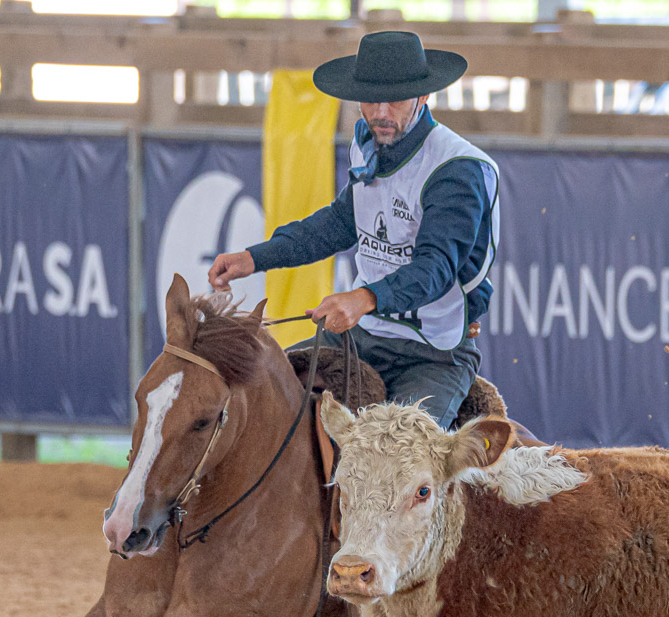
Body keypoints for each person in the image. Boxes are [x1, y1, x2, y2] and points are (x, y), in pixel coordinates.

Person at [208, 30, 500, 430]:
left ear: (424, 97)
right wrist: (254, 257)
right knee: (260, 398)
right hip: (363, 336)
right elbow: (342, 222)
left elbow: (436, 268)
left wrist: (363, 298)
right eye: (370, 98)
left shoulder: (457, 168)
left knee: (396, 464)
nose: (380, 111)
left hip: (434, 351)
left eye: (394, 99)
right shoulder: (368, 143)